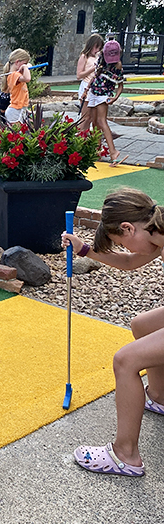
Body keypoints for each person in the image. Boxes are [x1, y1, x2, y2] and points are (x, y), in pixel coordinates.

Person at [62, 187, 164, 477]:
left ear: (128, 227)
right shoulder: (157, 233)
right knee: (142, 326)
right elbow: (131, 263)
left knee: (125, 360)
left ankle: (125, 455)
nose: (127, 249)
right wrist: (85, 250)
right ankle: (158, 395)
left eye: (122, 242)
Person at [87, 39, 125, 165]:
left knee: (102, 121)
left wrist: (115, 97)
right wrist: (86, 88)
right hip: (93, 92)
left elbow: (120, 85)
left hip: (104, 95)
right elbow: (95, 76)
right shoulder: (100, 59)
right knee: (94, 122)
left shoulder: (117, 65)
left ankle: (113, 151)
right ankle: (97, 150)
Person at [76, 34, 104, 130]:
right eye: (96, 47)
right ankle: (81, 138)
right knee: (85, 117)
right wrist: (93, 68)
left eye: (99, 48)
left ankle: (89, 139)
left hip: (96, 87)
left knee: (93, 118)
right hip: (86, 86)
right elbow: (79, 75)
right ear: (91, 45)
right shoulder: (84, 56)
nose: (97, 50)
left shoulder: (98, 57)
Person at [2, 49, 31, 126]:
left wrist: (25, 109)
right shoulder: (14, 75)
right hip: (15, 111)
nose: (26, 65)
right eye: (24, 63)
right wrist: (25, 67)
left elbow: (21, 96)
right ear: (17, 62)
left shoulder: (16, 75)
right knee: (16, 135)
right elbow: (27, 78)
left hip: (19, 109)